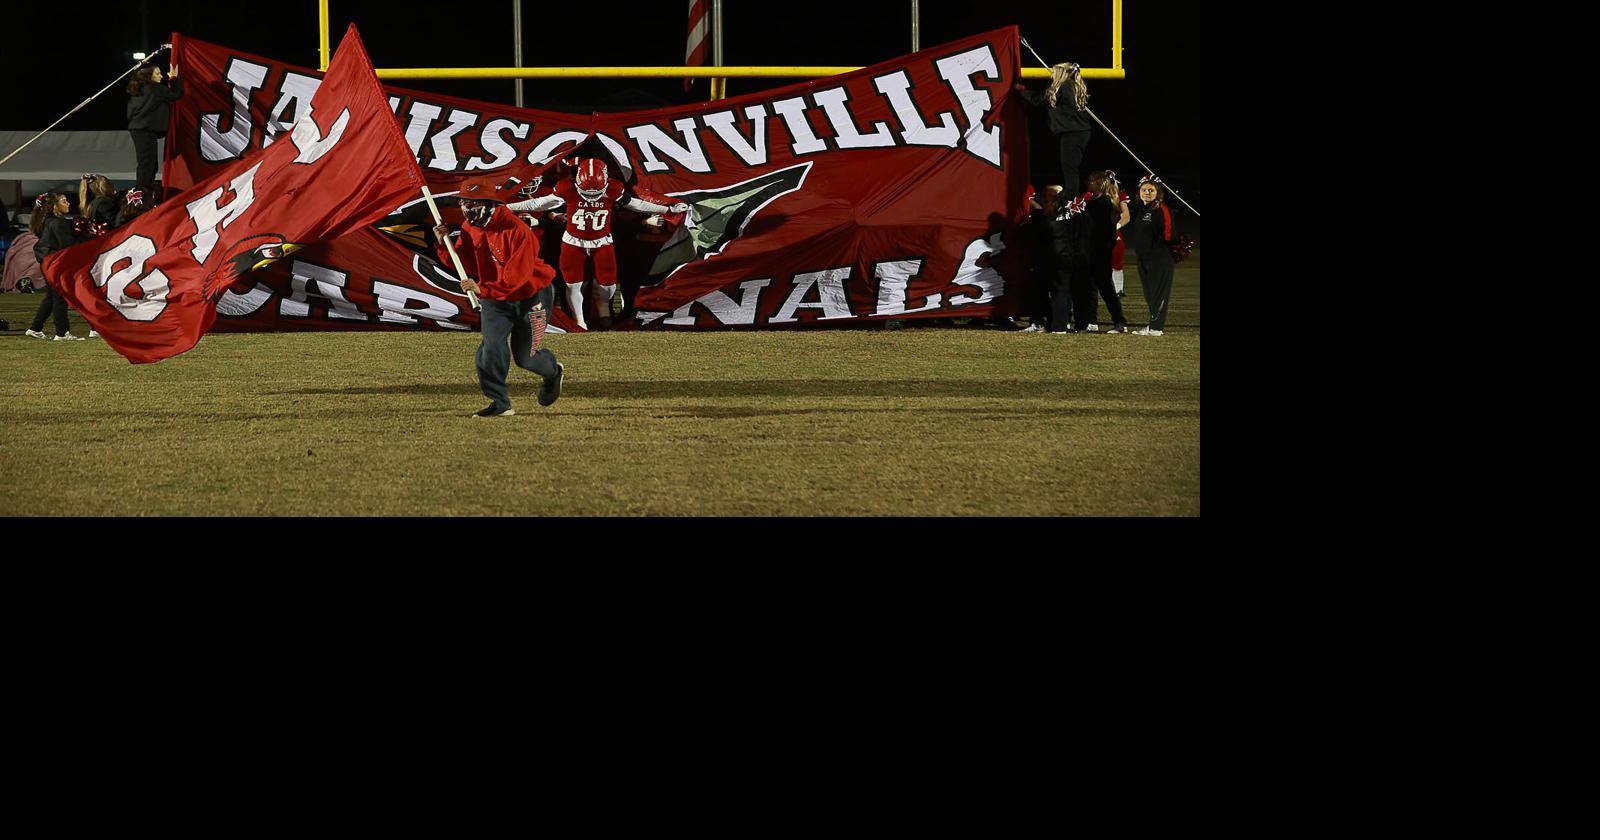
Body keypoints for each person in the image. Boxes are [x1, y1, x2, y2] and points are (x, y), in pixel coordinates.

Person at [432, 177, 565, 418]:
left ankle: (553, 372)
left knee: (526, 358)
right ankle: (500, 403)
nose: (466, 209)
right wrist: (444, 244)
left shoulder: (519, 231)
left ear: (490, 204)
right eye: (463, 203)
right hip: (494, 296)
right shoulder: (469, 227)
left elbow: (518, 279)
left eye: (472, 204)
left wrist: (482, 290)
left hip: (531, 296)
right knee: (491, 348)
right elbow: (463, 262)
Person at [507, 158, 687, 330]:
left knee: (607, 286)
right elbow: (538, 204)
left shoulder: (614, 188)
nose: (591, 198)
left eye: (595, 193)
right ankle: (580, 321)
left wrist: (668, 209)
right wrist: (506, 207)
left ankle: (602, 308)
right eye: (586, 193)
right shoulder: (566, 188)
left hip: (602, 242)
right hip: (573, 242)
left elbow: (636, 204)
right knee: (573, 284)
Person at [1013, 63, 1092, 196]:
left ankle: (1070, 196)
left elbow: (1038, 99)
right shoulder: (1071, 86)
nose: (1051, 75)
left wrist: (1021, 90)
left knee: (1069, 167)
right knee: (1070, 166)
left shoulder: (1064, 86)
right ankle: (1071, 194)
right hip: (1078, 132)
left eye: (1054, 73)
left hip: (1073, 133)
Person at [25, 193, 86, 341]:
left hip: (48, 263)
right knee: (60, 298)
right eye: (64, 201)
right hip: (56, 263)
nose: (68, 204)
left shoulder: (46, 221)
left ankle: (35, 328)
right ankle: (62, 333)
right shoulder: (59, 222)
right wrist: (83, 234)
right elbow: (68, 246)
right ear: (54, 206)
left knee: (51, 297)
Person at [1122, 175, 1176, 336]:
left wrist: (1158, 248)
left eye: (1151, 190)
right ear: (1139, 192)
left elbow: (1170, 235)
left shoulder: (1161, 209)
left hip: (1158, 259)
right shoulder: (1142, 210)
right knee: (1150, 294)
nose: (1147, 192)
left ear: (1158, 192)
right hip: (1143, 258)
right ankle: (1153, 325)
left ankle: (1156, 328)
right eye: (1144, 190)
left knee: (1158, 294)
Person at [126, 60, 183, 199]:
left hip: (139, 130)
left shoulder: (139, 89)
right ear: (148, 76)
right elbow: (176, 94)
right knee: (147, 163)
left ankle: (144, 189)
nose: (161, 76)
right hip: (144, 130)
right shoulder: (155, 88)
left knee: (149, 162)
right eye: (157, 73)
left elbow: (130, 113)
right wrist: (174, 78)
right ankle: (141, 193)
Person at [1082, 171, 1129, 333]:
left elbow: (1106, 229)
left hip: (1099, 250)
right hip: (1091, 249)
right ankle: (1091, 321)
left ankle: (1120, 321)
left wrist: (1103, 248)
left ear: (1099, 183)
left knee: (1106, 288)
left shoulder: (1103, 202)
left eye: (1091, 181)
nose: (1088, 183)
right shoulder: (1093, 200)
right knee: (1090, 287)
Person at [1046, 192, 1093, 335]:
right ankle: (1082, 325)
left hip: (1061, 259)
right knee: (1080, 294)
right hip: (1081, 258)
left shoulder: (1053, 218)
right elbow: (1091, 233)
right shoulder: (1084, 216)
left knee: (1060, 293)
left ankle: (1059, 326)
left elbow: (1048, 237)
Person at [1019, 184, 1063, 333]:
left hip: (1057, 258)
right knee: (1038, 291)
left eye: (1049, 196)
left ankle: (1057, 322)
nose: (1045, 198)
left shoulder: (1064, 216)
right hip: (1040, 258)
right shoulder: (1039, 215)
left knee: (1058, 293)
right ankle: (1037, 321)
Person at [1105, 170, 1129, 297]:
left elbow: (1126, 216)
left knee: (1117, 262)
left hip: (1114, 232)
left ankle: (1118, 290)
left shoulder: (1120, 196)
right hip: (1096, 233)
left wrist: (1115, 227)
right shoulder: (1092, 196)